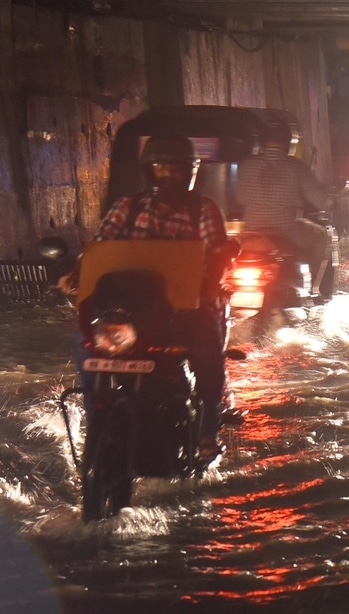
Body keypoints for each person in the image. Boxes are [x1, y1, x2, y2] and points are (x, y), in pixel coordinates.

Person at [83, 135, 236, 457]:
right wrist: (77, 272)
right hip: (133, 313)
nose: (167, 174)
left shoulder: (204, 209)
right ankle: (94, 415)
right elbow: (102, 244)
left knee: (208, 352)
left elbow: (219, 252)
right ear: (149, 171)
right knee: (86, 345)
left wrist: (213, 280)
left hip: (185, 309)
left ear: (187, 172)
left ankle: (209, 425)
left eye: (174, 168)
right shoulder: (127, 206)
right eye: (159, 167)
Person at [234, 119, 332, 290]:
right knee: (323, 237)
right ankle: (315, 290)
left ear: (262, 142)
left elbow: (240, 198)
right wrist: (331, 202)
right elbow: (321, 201)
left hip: (251, 233)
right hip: (286, 232)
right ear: (288, 144)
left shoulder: (246, 165)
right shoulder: (295, 167)